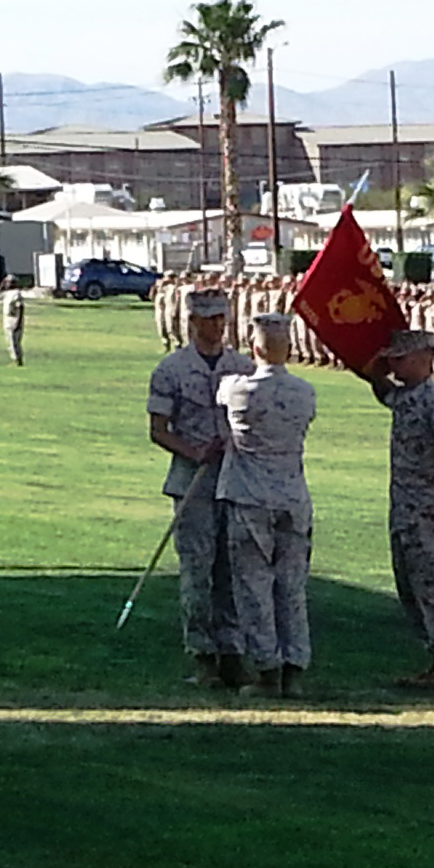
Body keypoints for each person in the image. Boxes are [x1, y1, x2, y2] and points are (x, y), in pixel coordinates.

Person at [147, 288, 255, 687]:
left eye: (220, 319)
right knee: (197, 571)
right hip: (192, 484)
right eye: (207, 319)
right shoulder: (171, 370)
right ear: (191, 321)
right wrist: (194, 451)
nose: (215, 326)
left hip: (237, 483)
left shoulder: (243, 368)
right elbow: (158, 430)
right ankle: (202, 655)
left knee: (234, 571)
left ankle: (233, 653)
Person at [216, 313, 317, 698]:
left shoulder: (238, 390)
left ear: (254, 348)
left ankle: (267, 670)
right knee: (291, 589)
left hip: (250, 498)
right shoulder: (305, 392)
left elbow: (222, 393)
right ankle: (294, 670)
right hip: (292, 497)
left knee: (254, 588)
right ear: (289, 348)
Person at [361, 329, 434, 689]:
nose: (396, 364)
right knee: (408, 585)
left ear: (427, 357)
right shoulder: (406, 398)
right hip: (405, 510)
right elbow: (383, 392)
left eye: (402, 358)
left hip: (429, 510)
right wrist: (374, 370)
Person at [0, 275, 25, 366]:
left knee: (15, 341)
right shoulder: (7, 293)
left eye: (9, 282)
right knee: (9, 340)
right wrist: (2, 283)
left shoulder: (16, 294)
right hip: (7, 318)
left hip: (14, 318)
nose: (7, 284)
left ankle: (17, 360)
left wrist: (18, 321)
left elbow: (20, 307)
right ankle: (14, 359)